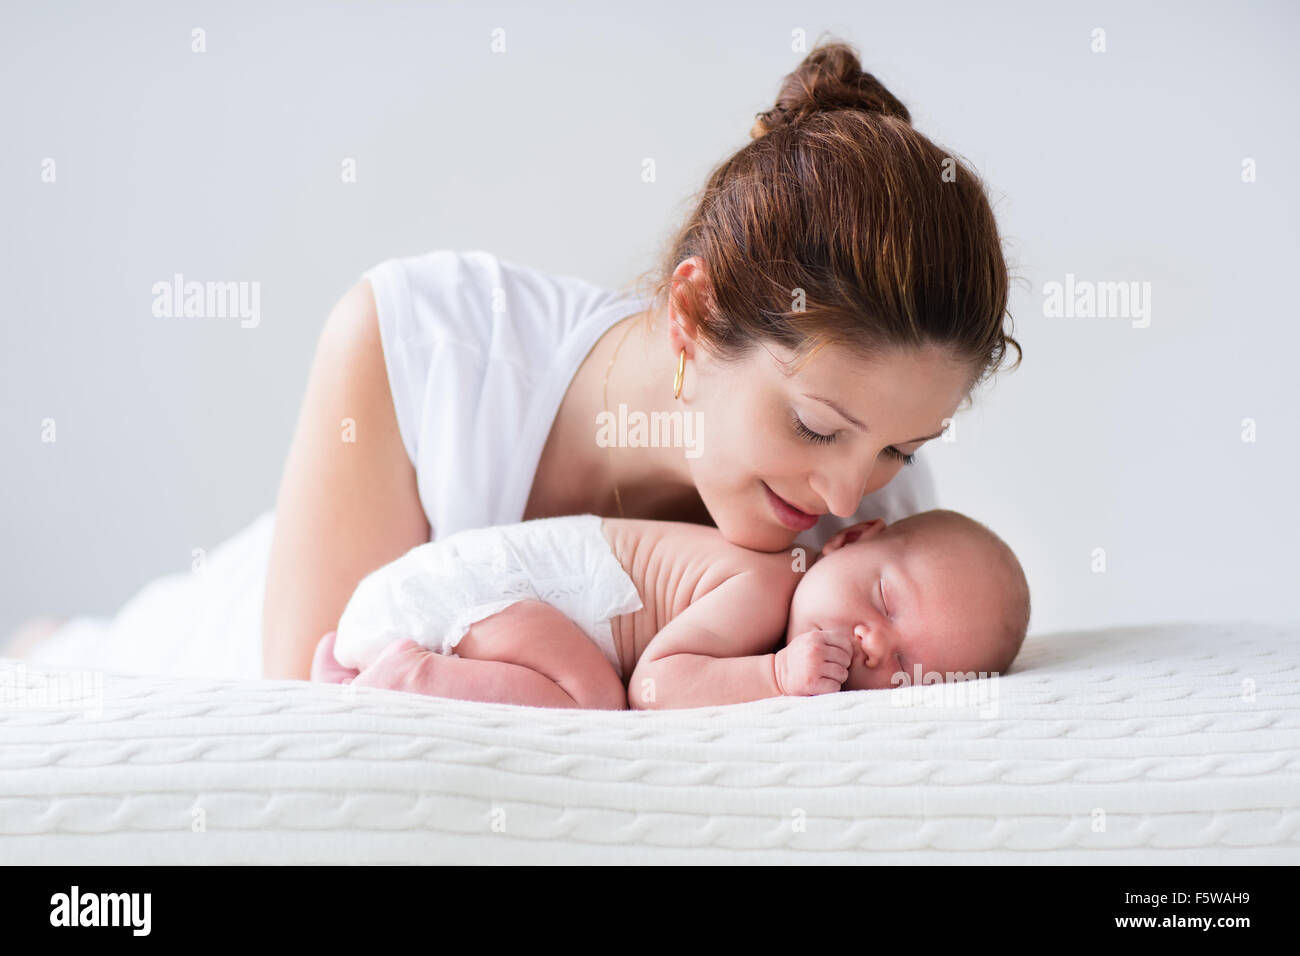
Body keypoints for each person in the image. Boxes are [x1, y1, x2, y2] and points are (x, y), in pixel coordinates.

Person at [11, 39, 1021, 684]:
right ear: (693, 312)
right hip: (219, 630)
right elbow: (310, 704)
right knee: (86, 656)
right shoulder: (423, 343)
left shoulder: (872, 538)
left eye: (900, 446)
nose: (850, 488)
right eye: (814, 424)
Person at [308, 509, 1032, 710]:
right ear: (848, 538)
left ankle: (353, 671)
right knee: (593, 697)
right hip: (462, 589)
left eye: (906, 668)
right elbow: (654, 685)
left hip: (449, 599)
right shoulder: (767, 581)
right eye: (882, 601)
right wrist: (777, 678)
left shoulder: (786, 591)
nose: (873, 645)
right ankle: (409, 675)